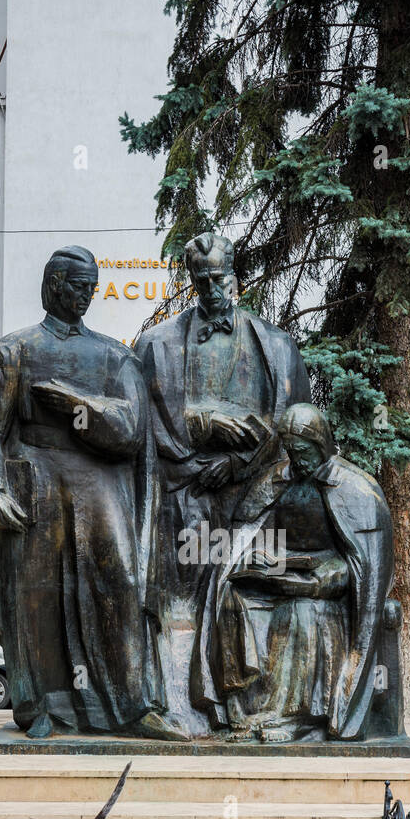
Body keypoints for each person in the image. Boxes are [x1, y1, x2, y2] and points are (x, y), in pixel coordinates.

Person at [0, 245, 188, 741]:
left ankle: (133, 705)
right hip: (35, 484)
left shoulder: (114, 355)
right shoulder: (13, 351)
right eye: (77, 286)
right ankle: (45, 705)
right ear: (53, 285)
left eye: (92, 287)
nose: (86, 295)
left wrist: (77, 404)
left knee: (121, 587)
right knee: (36, 597)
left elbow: (131, 429)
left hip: (102, 488)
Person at [192, 404, 394, 742]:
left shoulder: (355, 489)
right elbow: (251, 531)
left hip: (327, 588)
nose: (295, 459)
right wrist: (257, 558)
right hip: (280, 575)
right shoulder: (277, 480)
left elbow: (368, 568)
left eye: (301, 451)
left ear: (320, 444)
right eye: (290, 451)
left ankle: (296, 717)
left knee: (300, 612)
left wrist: (328, 576)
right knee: (231, 600)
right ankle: (246, 713)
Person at [135, 232, 311, 600]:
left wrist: (236, 464)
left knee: (251, 595)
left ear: (233, 277)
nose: (212, 289)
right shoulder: (156, 344)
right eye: (202, 281)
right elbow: (142, 423)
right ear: (192, 280)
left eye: (218, 279)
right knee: (184, 599)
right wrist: (202, 422)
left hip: (257, 493)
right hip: (185, 493)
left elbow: (295, 425)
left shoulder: (277, 346)